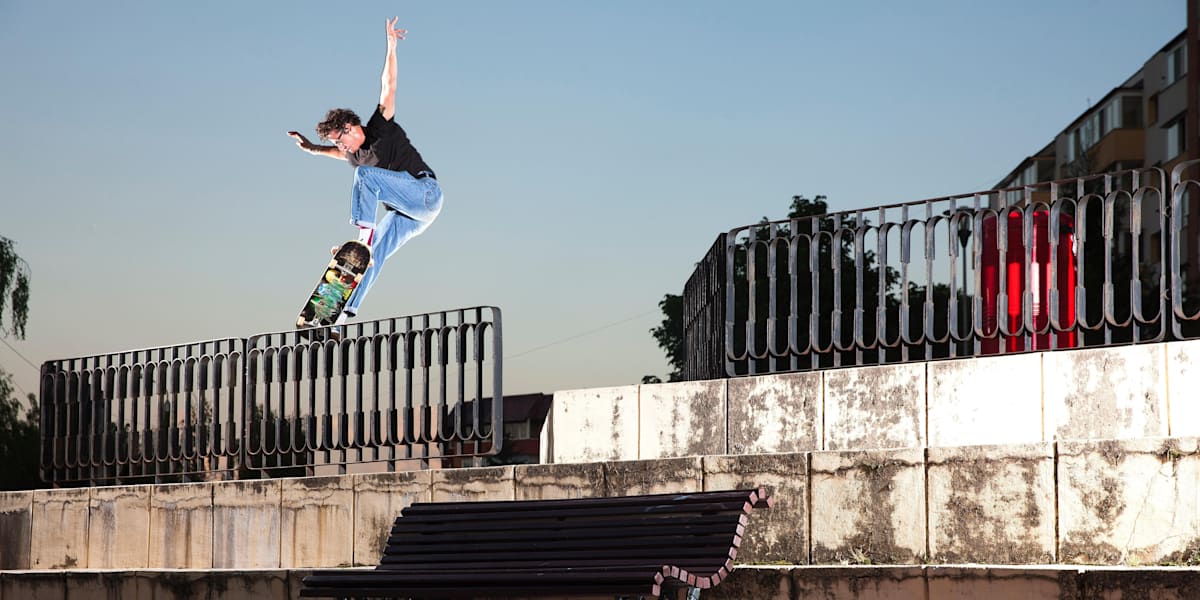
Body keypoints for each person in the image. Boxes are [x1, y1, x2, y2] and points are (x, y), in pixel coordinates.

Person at [287, 17, 442, 327]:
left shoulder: (379, 127)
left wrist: (391, 46)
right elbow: (335, 153)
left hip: (424, 194)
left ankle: (362, 239)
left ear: (350, 127)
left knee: (365, 178)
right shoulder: (354, 155)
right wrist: (312, 149)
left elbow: (389, 85)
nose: (342, 148)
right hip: (406, 216)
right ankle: (341, 316)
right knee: (371, 259)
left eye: (340, 139)